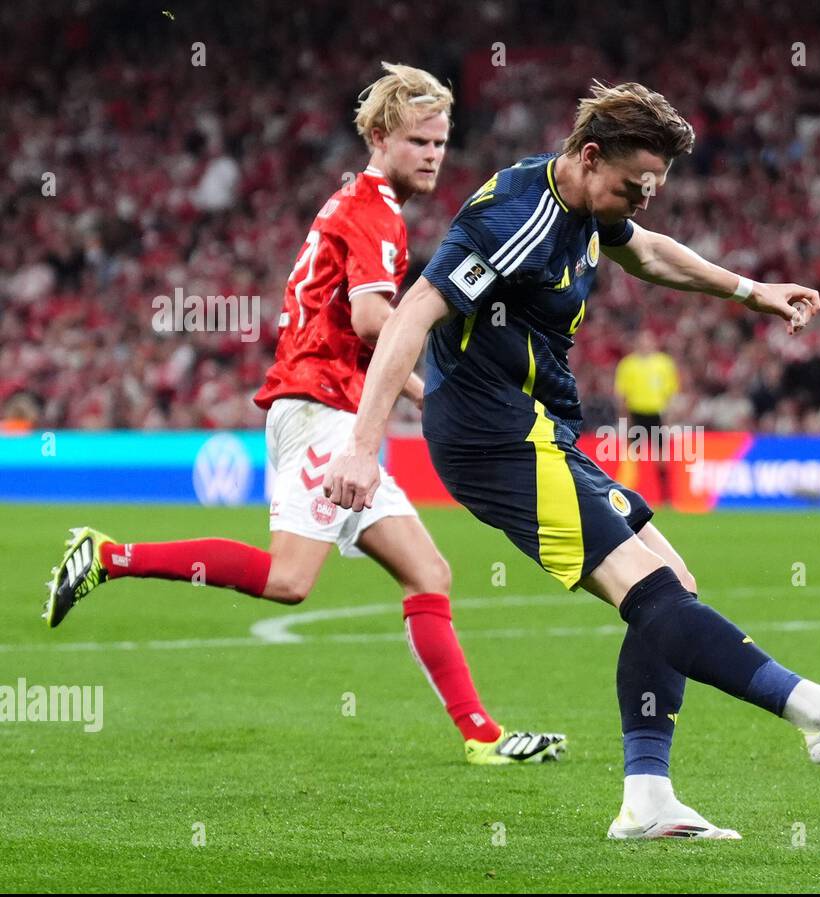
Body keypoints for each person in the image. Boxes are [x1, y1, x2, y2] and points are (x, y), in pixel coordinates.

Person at [323, 81, 820, 839]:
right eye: (629, 187)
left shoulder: (589, 207)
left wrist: (748, 291)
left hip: (541, 428)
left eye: (652, 188)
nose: (639, 202)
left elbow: (644, 251)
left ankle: (647, 800)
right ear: (588, 157)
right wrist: (362, 443)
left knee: (673, 582)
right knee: (648, 591)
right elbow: (412, 311)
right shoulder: (513, 219)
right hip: (495, 438)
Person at [42, 63, 566, 767]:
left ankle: (481, 736)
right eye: (420, 141)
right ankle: (109, 555)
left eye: (441, 141)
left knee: (428, 571)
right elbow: (375, 316)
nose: (434, 154)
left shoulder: (356, 203)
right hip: (323, 410)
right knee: (290, 579)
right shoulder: (374, 210)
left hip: (334, 407)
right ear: (381, 137)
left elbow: (368, 319)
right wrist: (438, 378)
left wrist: (421, 387)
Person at [613, 330, 678, 502]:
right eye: (642, 340)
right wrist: (624, 418)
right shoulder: (627, 364)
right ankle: (627, 494)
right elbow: (622, 395)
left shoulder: (664, 363)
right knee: (631, 455)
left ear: (654, 343)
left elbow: (670, 393)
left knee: (661, 456)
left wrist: (668, 418)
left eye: (648, 340)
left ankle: (666, 496)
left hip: (656, 414)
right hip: (636, 414)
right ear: (637, 343)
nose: (645, 344)